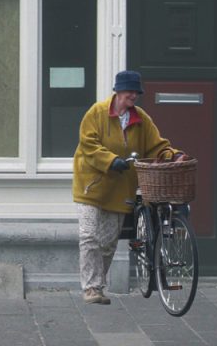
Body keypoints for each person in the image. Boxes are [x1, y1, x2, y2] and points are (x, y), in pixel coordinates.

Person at [72, 70, 190, 305]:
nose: (133, 96)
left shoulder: (141, 119)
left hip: (120, 188)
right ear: (117, 91)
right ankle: (90, 288)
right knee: (88, 236)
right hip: (92, 186)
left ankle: (97, 285)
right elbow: (88, 144)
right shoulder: (96, 113)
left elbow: (157, 146)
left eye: (136, 92)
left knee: (107, 244)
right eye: (129, 91)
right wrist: (109, 160)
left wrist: (173, 155)